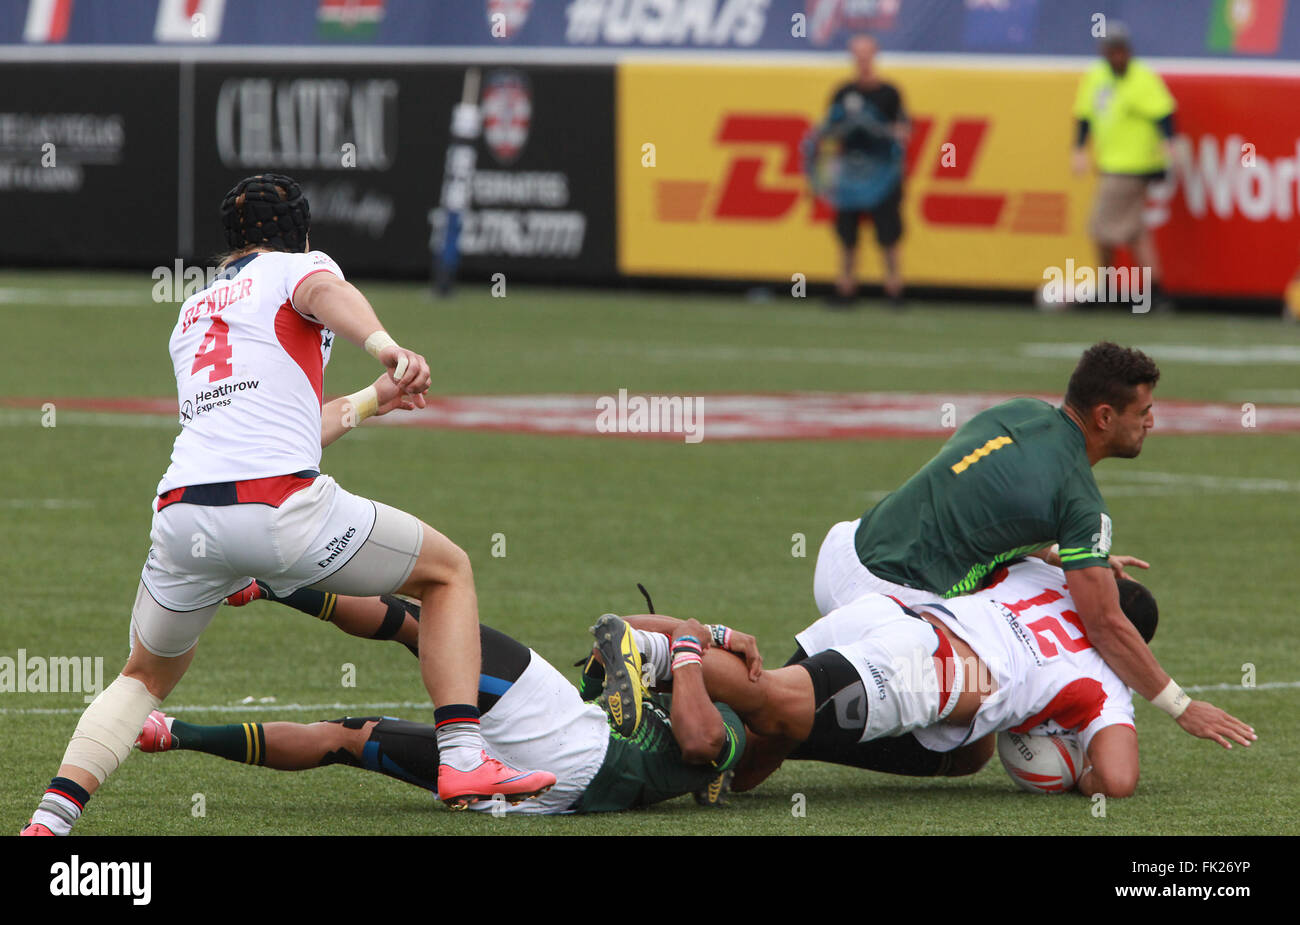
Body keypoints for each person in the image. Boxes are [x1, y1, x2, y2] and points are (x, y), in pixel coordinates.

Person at [21, 174, 553, 836]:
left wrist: (373, 399)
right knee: (447, 572)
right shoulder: (301, 270)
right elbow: (325, 293)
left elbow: (280, 426)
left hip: (183, 516)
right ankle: (466, 759)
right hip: (278, 508)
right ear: (302, 234)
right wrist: (387, 347)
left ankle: (48, 822)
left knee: (141, 678)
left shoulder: (193, 315)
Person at [811, 342, 1253, 751]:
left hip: (844, 547)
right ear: (1104, 416)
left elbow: (982, 511)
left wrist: (1068, 555)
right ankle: (773, 729)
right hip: (883, 601)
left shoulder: (1020, 411)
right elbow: (1104, 624)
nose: (1150, 422)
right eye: (1143, 411)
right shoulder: (1081, 502)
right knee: (965, 730)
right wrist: (1182, 706)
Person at [630, 556, 1163, 798]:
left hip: (891, 615)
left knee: (967, 754)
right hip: (920, 670)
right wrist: (1078, 776)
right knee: (767, 701)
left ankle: (641, 657)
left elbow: (1006, 544)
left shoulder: (1045, 575)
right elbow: (1117, 781)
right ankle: (659, 649)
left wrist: (1088, 560)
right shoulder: (1104, 680)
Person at [133, 614, 747, 816]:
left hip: (574, 747)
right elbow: (618, 629)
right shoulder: (679, 701)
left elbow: (699, 740)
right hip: (543, 790)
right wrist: (708, 631)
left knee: (423, 622)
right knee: (347, 739)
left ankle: (267, 580)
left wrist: (693, 645)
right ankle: (174, 735)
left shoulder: (725, 726)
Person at [1071, 22, 1176, 309]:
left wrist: (1168, 142)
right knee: (1134, 231)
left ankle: (1107, 290)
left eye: (1120, 50)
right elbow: (1084, 116)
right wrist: (1079, 148)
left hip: (1135, 165)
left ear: (1127, 51)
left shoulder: (1142, 78)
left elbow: (1163, 113)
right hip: (1111, 164)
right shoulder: (1096, 78)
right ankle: (1155, 293)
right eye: (1111, 50)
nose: (1117, 56)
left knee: (1099, 227)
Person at [808, 34, 910, 307]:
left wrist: (879, 129)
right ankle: (846, 287)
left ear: (874, 55)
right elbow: (827, 130)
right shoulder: (843, 93)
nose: (862, 60)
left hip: (882, 173)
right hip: (852, 174)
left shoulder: (889, 93)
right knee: (847, 234)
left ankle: (894, 288)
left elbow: (904, 131)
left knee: (888, 234)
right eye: (857, 55)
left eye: (866, 55)